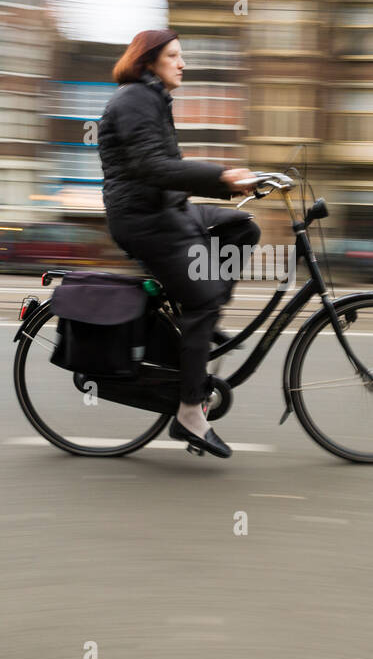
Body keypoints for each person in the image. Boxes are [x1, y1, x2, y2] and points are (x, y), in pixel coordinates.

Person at [98, 29, 258, 459]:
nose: (182, 63)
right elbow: (154, 167)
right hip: (144, 219)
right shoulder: (133, 99)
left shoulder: (152, 99)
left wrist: (237, 187)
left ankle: (200, 316)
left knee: (242, 228)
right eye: (174, 55)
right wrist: (221, 176)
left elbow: (168, 170)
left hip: (169, 210)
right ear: (148, 61)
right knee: (202, 302)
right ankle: (189, 413)